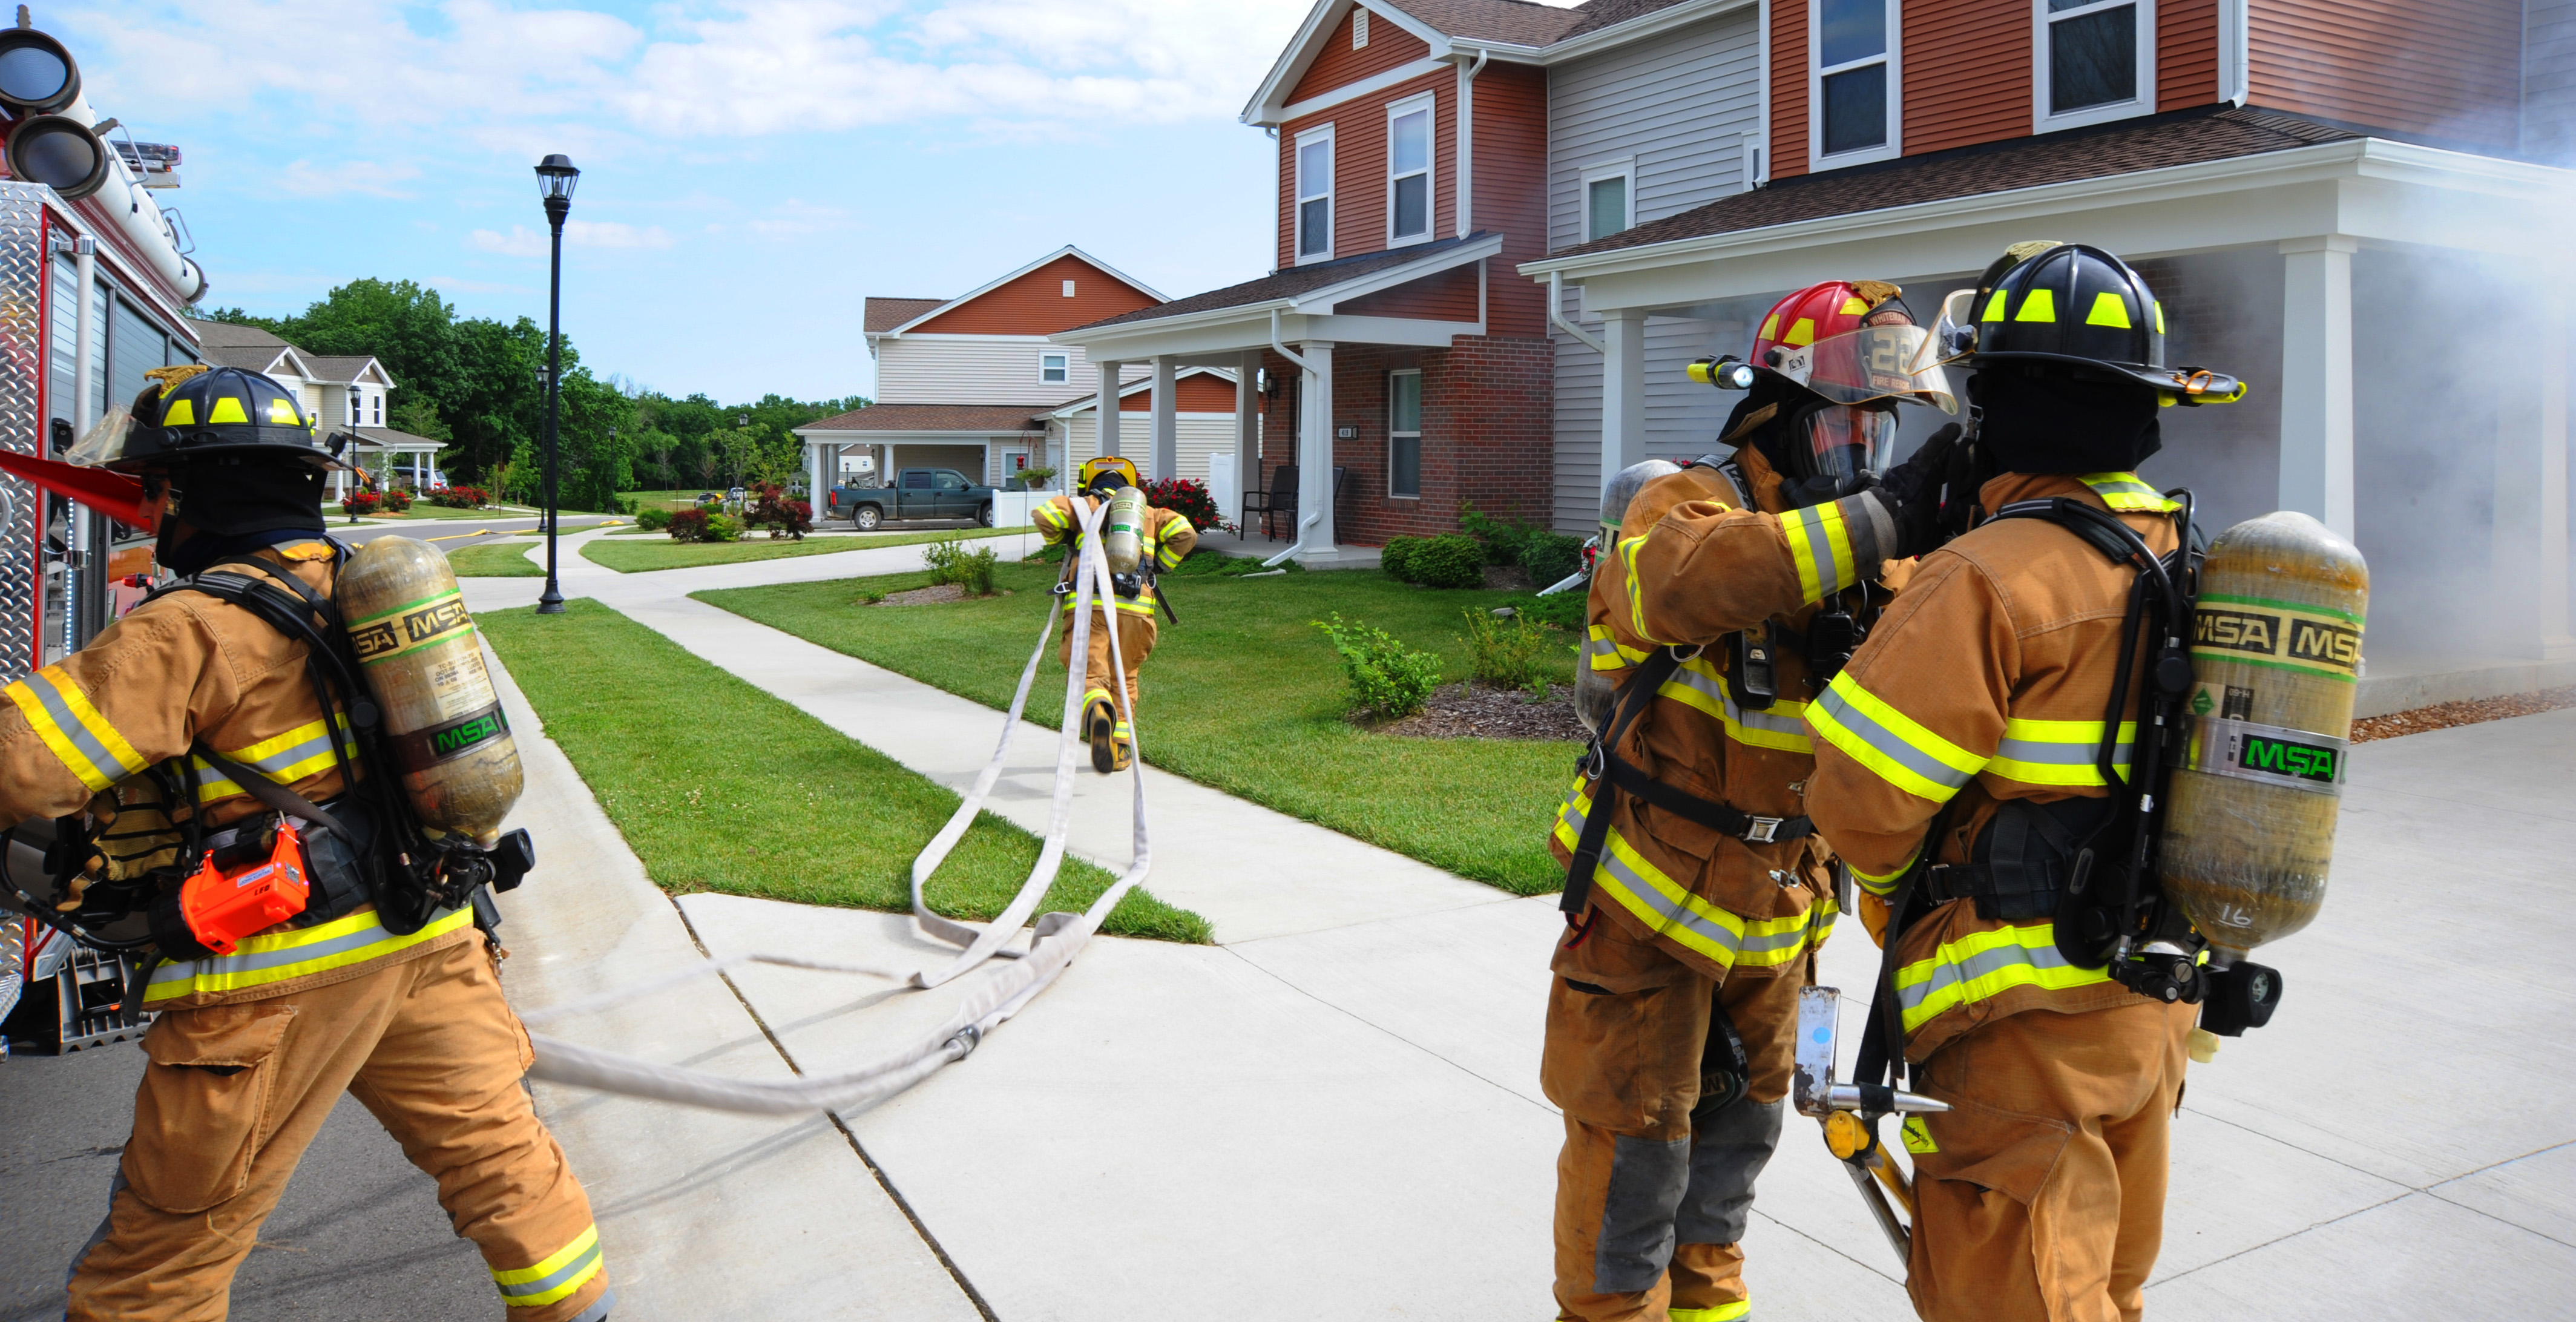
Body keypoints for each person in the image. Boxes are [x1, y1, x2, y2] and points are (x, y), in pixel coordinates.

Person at [2, 366, 611, 1321]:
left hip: (272, 978)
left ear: (193, 492)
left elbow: (21, 769)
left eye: (157, 489)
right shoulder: (364, 591)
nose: (153, 511)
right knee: (503, 1166)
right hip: (430, 938)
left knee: (167, 1250)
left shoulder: (187, 628)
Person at [1801, 242, 2241, 1322]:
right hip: (2148, 1021)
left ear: (1992, 401)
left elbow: (1856, 804)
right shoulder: (2190, 561)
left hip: (2020, 1046)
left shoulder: (1985, 578)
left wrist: (1916, 892)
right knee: (2104, 1295)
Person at [1543, 280, 1957, 1322]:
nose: (1867, 440)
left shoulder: (1879, 553)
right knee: (1638, 1152)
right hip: (1651, 910)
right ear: (1780, 408)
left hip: (1782, 914)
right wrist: (1886, 515)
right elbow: (1686, 585)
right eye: (1849, 415)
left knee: (1735, 1158)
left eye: (1884, 419)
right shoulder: (1690, 506)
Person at [1029, 456, 1195, 772]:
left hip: (1089, 607)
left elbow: (1045, 515)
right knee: (1126, 677)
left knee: (1089, 674)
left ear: (1090, 485)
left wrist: (1061, 538)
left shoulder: (1084, 506)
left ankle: (1098, 708)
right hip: (1137, 611)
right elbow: (1186, 534)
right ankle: (1119, 751)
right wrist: (1160, 566)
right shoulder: (1152, 514)